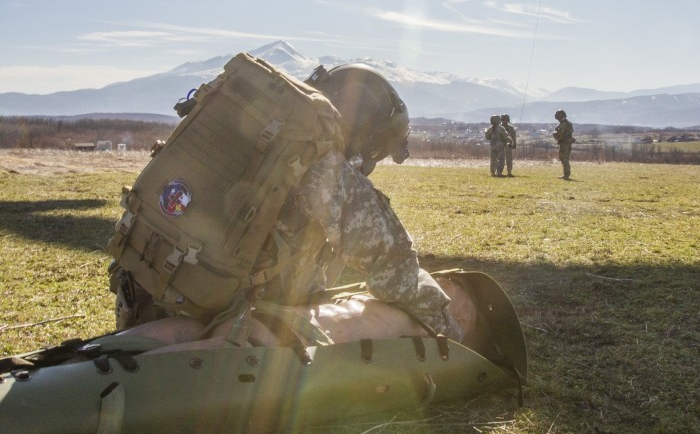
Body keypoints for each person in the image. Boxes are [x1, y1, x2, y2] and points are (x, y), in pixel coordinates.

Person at [113, 63, 462, 341]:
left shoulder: (248, 133)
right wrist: (447, 327)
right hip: (212, 325)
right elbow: (393, 267)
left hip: (138, 304)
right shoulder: (317, 164)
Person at [552, 109, 574, 180]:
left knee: (564, 158)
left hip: (564, 143)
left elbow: (560, 134)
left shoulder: (562, 124)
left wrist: (554, 134)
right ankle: (566, 174)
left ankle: (566, 175)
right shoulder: (569, 123)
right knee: (566, 158)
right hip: (568, 142)